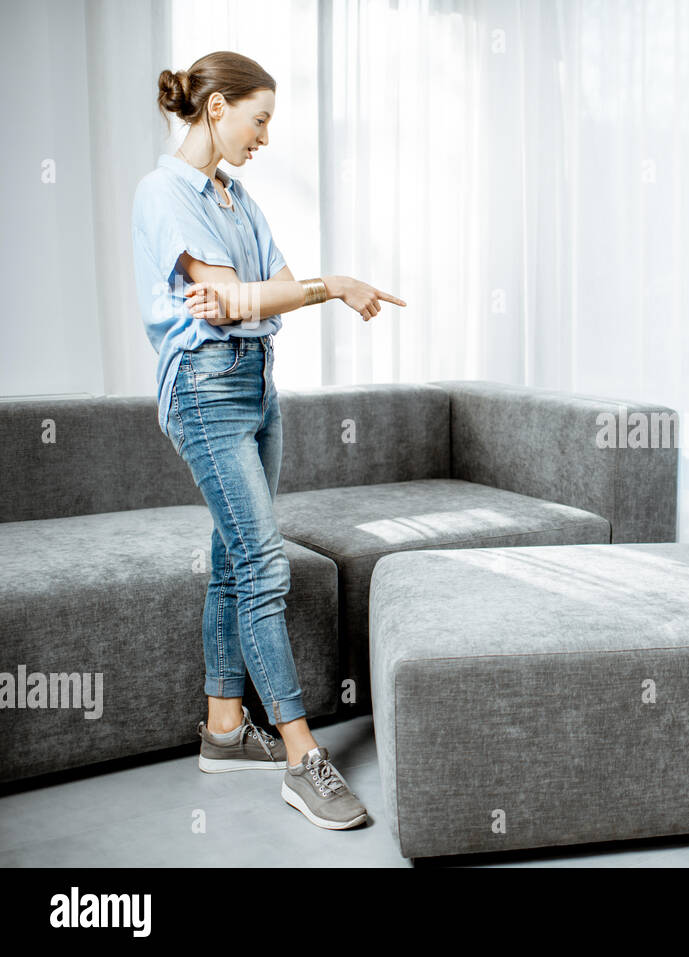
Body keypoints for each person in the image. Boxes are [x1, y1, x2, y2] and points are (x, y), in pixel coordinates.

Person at [132, 50, 405, 830]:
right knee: (262, 564)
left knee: (231, 553)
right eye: (258, 120)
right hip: (206, 389)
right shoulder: (165, 194)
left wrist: (310, 285)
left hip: (256, 386)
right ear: (216, 109)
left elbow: (274, 281)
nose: (264, 136)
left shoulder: (236, 196)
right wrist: (328, 284)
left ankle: (223, 728)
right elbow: (223, 302)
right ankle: (300, 755)